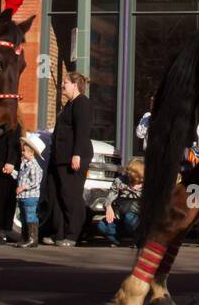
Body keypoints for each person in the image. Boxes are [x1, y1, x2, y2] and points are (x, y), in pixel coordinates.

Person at [46, 72, 93, 246]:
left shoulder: (82, 103)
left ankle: (73, 234)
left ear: (75, 85)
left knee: (70, 195)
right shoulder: (68, 105)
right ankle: (59, 233)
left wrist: (77, 154)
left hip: (72, 157)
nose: (62, 86)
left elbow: (82, 131)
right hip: (59, 157)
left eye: (65, 82)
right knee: (55, 194)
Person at [97, 158, 144, 247]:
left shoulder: (147, 184)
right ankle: (118, 241)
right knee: (102, 225)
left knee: (129, 217)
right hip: (119, 216)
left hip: (137, 218)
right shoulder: (120, 181)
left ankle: (139, 239)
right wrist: (108, 206)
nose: (129, 174)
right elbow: (110, 196)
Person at [14, 137, 44, 249]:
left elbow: (35, 181)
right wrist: (12, 172)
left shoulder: (35, 166)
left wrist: (23, 187)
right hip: (22, 196)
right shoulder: (24, 165)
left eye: (24, 151)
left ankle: (32, 238)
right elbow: (20, 176)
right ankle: (25, 237)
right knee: (23, 216)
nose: (22, 153)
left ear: (31, 153)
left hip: (30, 196)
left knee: (30, 215)